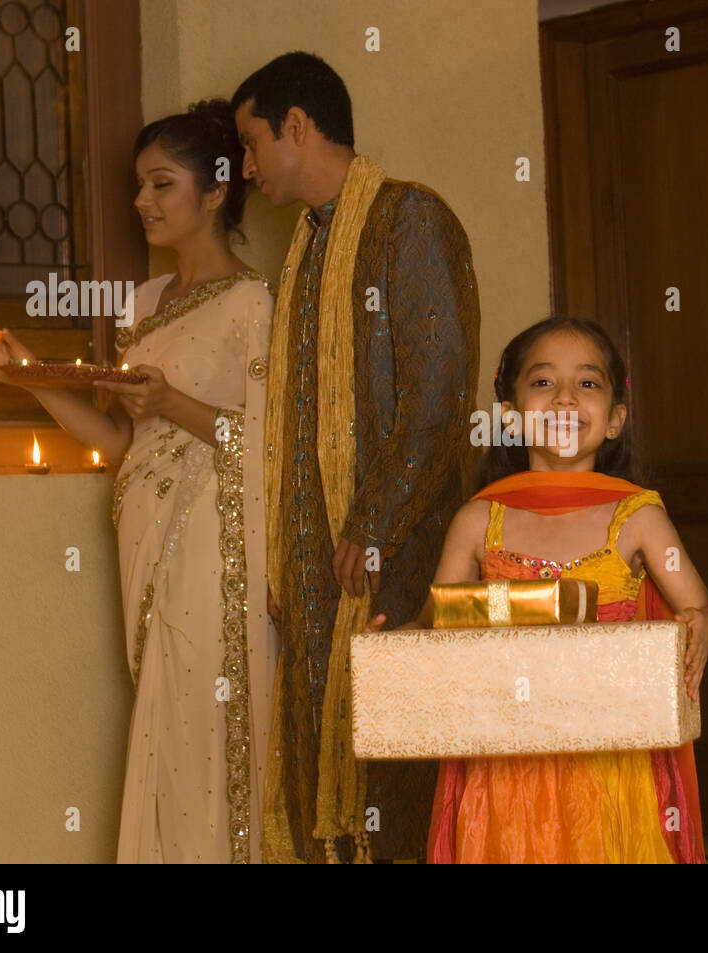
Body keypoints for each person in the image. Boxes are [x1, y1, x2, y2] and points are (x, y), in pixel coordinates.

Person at [0, 100, 276, 864]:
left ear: (217, 191)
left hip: (220, 546)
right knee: (163, 721)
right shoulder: (142, 305)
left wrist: (173, 402)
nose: (141, 202)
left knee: (212, 723)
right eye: (139, 185)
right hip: (146, 541)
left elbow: (270, 446)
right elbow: (115, 439)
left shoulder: (256, 303)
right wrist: (27, 378)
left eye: (162, 184)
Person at [232, 51, 480, 863]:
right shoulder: (308, 245)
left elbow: (438, 398)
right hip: (318, 566)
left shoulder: (409, 220)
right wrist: (289, 550)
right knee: (320, 773)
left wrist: (372, 523)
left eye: (251, 142)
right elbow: (296, 418)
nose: (247, 166)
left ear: (297, 128)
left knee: (391, 771)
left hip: (394, 551)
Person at [392, 316, 708, 863]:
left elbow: (706, 623)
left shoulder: (638, 518)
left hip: (610, 773)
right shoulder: (479, 521)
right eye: (543, 383)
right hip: (502, 772)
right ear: (509, 416)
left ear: (615, 419)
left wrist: (703, 626)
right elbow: (438, 624)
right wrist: (394, 646)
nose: (566, 399)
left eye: (588, 383)